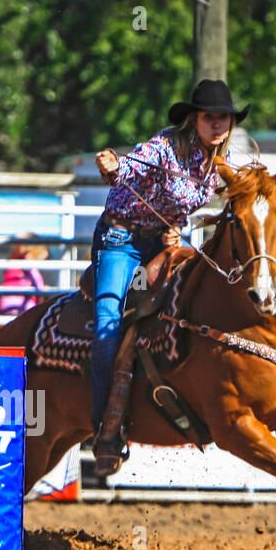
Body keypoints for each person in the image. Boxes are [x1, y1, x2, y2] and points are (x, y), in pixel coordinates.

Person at [89, 78, 248, 473]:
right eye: (210, 117)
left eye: (223, 118)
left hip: (162, 243)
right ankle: (103, 425)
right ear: (194, 119)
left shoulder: (220, 165)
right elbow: (125, 166)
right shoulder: (163, 148)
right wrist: (112, 164)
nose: (217, 125)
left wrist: (183, 230)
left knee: (193, 303)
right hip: (121, 239)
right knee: (108, 321)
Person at [0, 241, 49, 316]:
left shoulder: (13, 264)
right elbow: (37, 286)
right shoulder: (28, 265)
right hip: (23, 306)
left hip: (7, 304)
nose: (46, 254)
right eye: (43, 250)